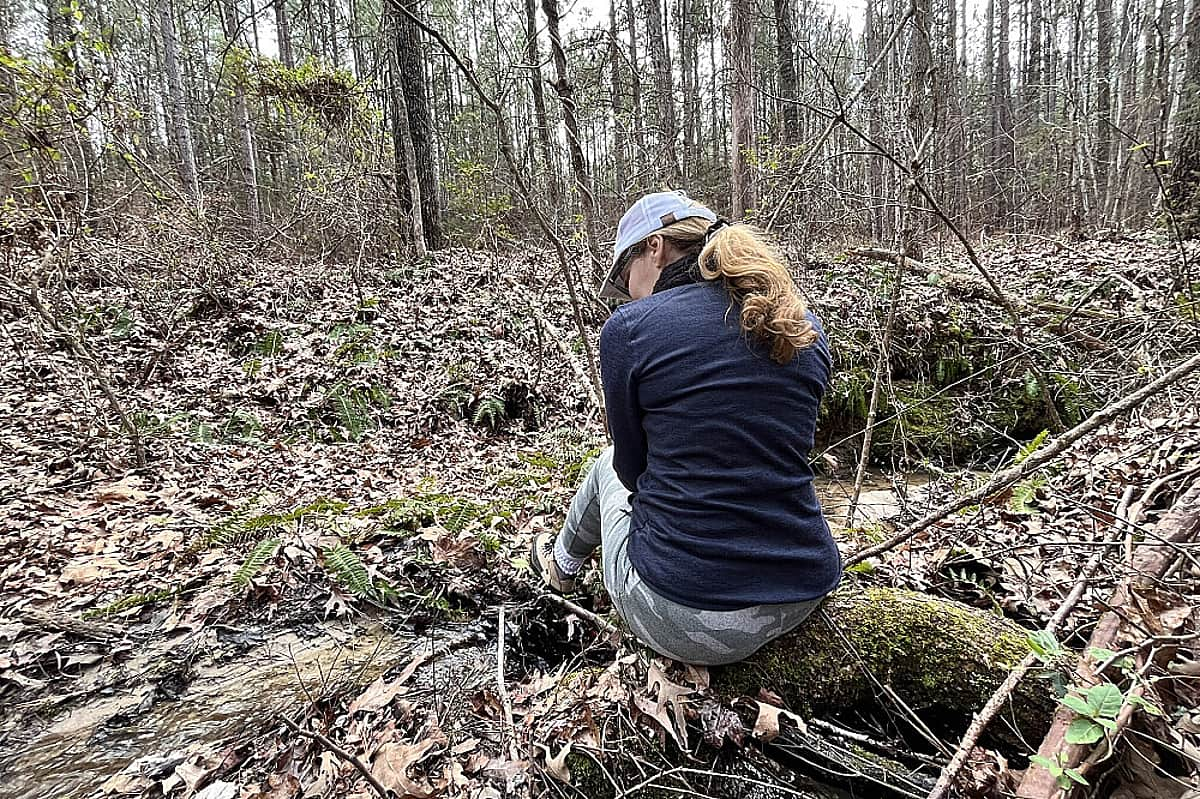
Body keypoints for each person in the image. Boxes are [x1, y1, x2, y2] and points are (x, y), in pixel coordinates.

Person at [530, 190, 840, 666]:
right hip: (803, 591)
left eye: (623, 275)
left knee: (603, 470)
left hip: (685, 615)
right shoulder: (797, 326)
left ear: (654, 248)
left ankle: (560, 569)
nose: (627, 291)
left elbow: (630, 471)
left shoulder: (631, 329)